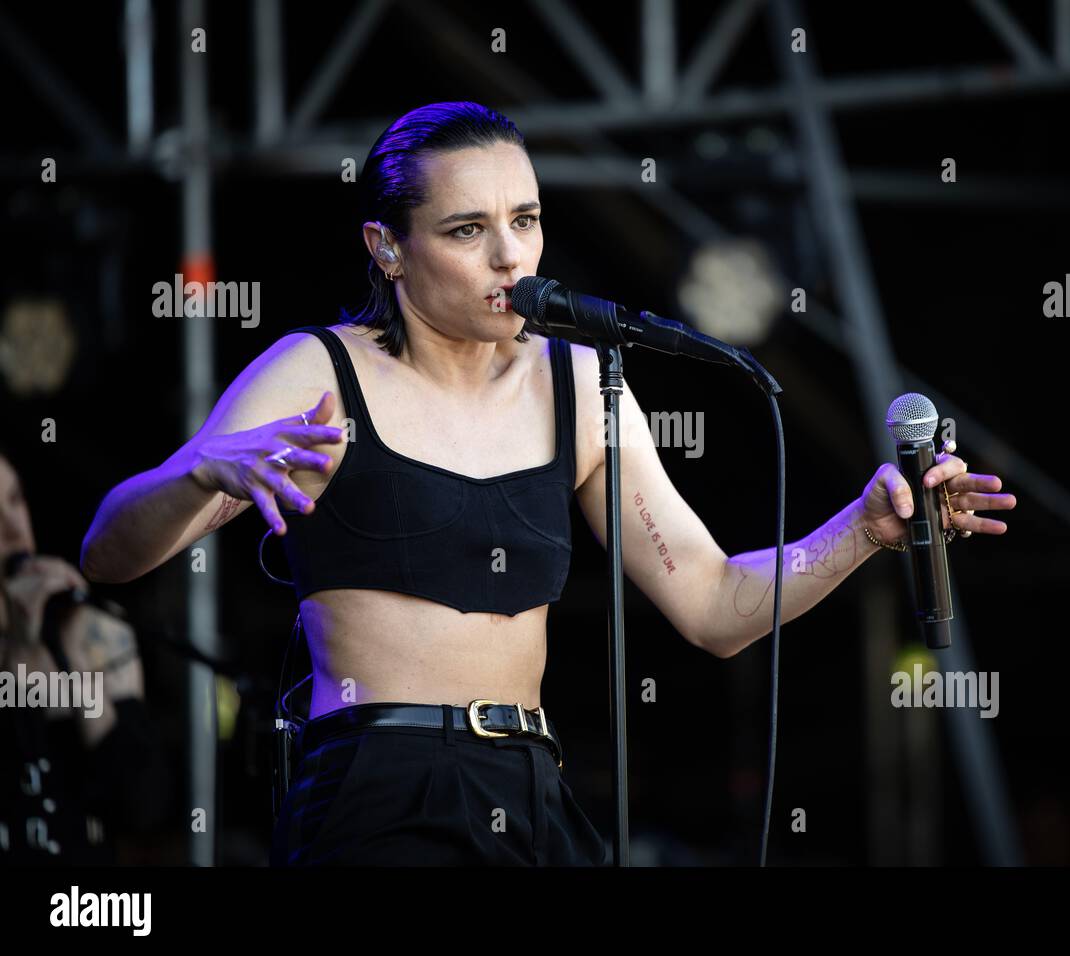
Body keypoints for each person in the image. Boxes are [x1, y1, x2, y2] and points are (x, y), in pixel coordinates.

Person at [79, 101, 1017, 866]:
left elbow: (714, 604)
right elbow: (109, 553)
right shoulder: (321, 371)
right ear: (387, 247)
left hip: (533, 783)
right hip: (378, 785)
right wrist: (199, 471)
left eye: (524, 221)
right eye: (467, 229)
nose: (509, 259)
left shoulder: (577, 383)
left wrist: (860, 529)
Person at [0, 445, 170, 863]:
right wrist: (22, 649)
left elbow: (142, 806)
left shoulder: (92, 631)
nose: (12, 527)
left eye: (15, 500)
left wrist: (71, 654)